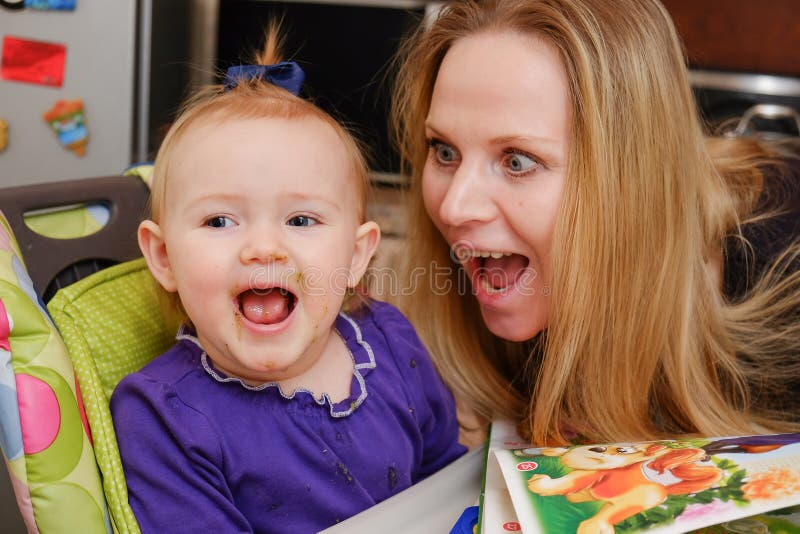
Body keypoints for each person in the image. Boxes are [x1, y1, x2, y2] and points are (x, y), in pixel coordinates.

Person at [390, 0, 800, 448]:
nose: (453, 207)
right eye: (444, 151)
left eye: (518, 160)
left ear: (631, 176)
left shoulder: (782, 268)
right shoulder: (507, 276)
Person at [110, 27, 465, 533]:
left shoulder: (390, 342)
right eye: (220, 221)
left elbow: (450, 480)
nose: (264, 248)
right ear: (164, 257)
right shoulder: (165, 418)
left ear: (357, 255)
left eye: (300, 221)